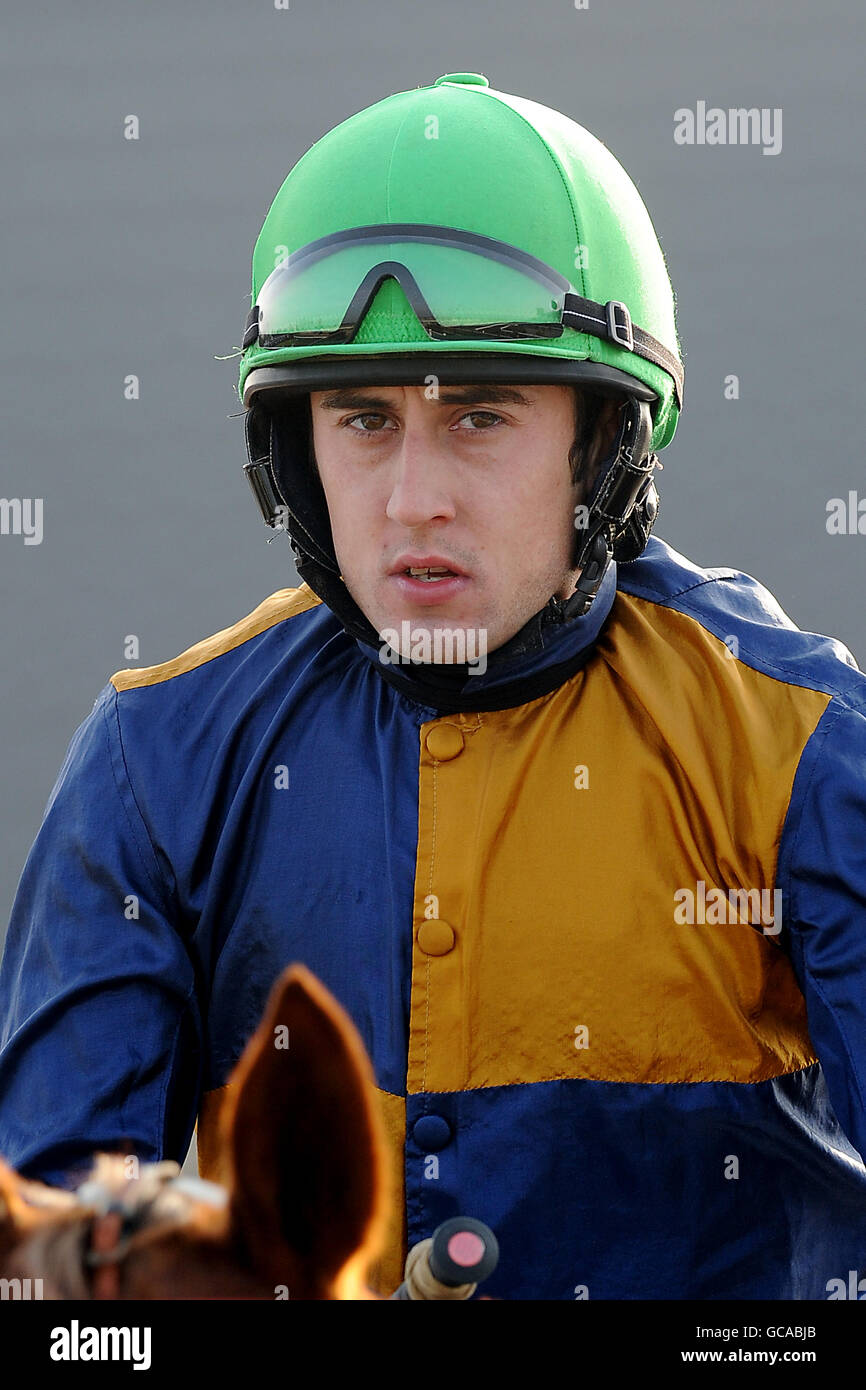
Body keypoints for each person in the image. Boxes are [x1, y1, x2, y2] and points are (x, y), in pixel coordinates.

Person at [1, 71, 865, 1301]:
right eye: (362, 419)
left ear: (605, 444)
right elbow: (55, 1295)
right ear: (294, 456)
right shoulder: (154, 756)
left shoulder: (805, 745)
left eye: (478, 415)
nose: (413, 501)